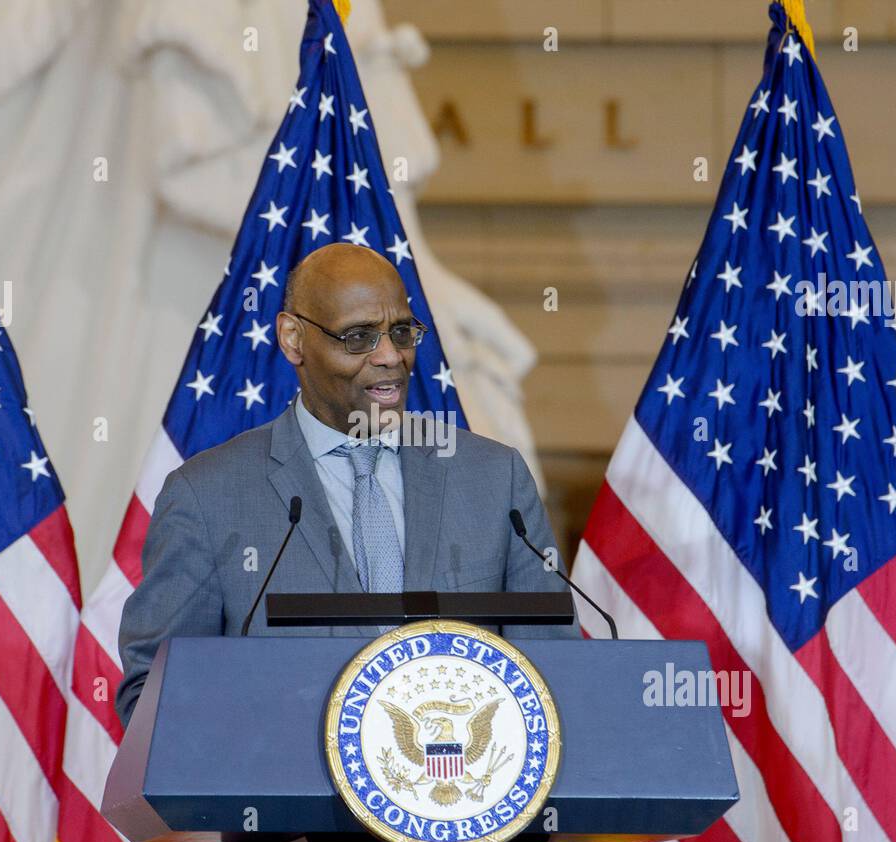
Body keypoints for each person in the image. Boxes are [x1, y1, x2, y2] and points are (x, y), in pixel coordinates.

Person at [116, 242, 582, 732]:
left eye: (401, 332)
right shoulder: (209, 496)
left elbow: (554, 672)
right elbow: (151, 693)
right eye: (358, 337)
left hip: (462, 792)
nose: (390, 357)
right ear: (293, 339)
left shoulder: (493, 478)